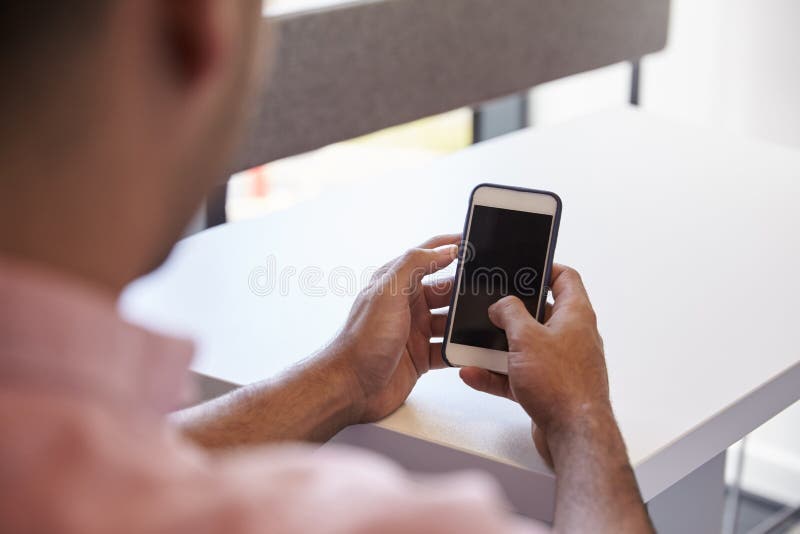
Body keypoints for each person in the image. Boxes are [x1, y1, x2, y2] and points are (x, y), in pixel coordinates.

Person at [0, 1, 654, 532]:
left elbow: (124, 466)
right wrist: (581, 419)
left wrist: (345, 378)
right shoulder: (369, 519)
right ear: (197, 20)